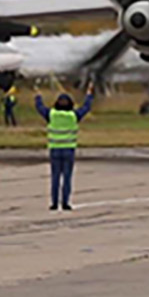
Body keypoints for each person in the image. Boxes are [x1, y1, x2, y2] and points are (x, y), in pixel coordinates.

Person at [35, 83, 94, 211]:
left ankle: (54, 203)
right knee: (67, 177)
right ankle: (65, 202)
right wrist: (89, 94)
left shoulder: (51, 115)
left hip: (55, 149)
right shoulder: (73, 116)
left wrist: (38, 96)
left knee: (55, 177)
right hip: (68, 150)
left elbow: (40, 108)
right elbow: (86, 107)